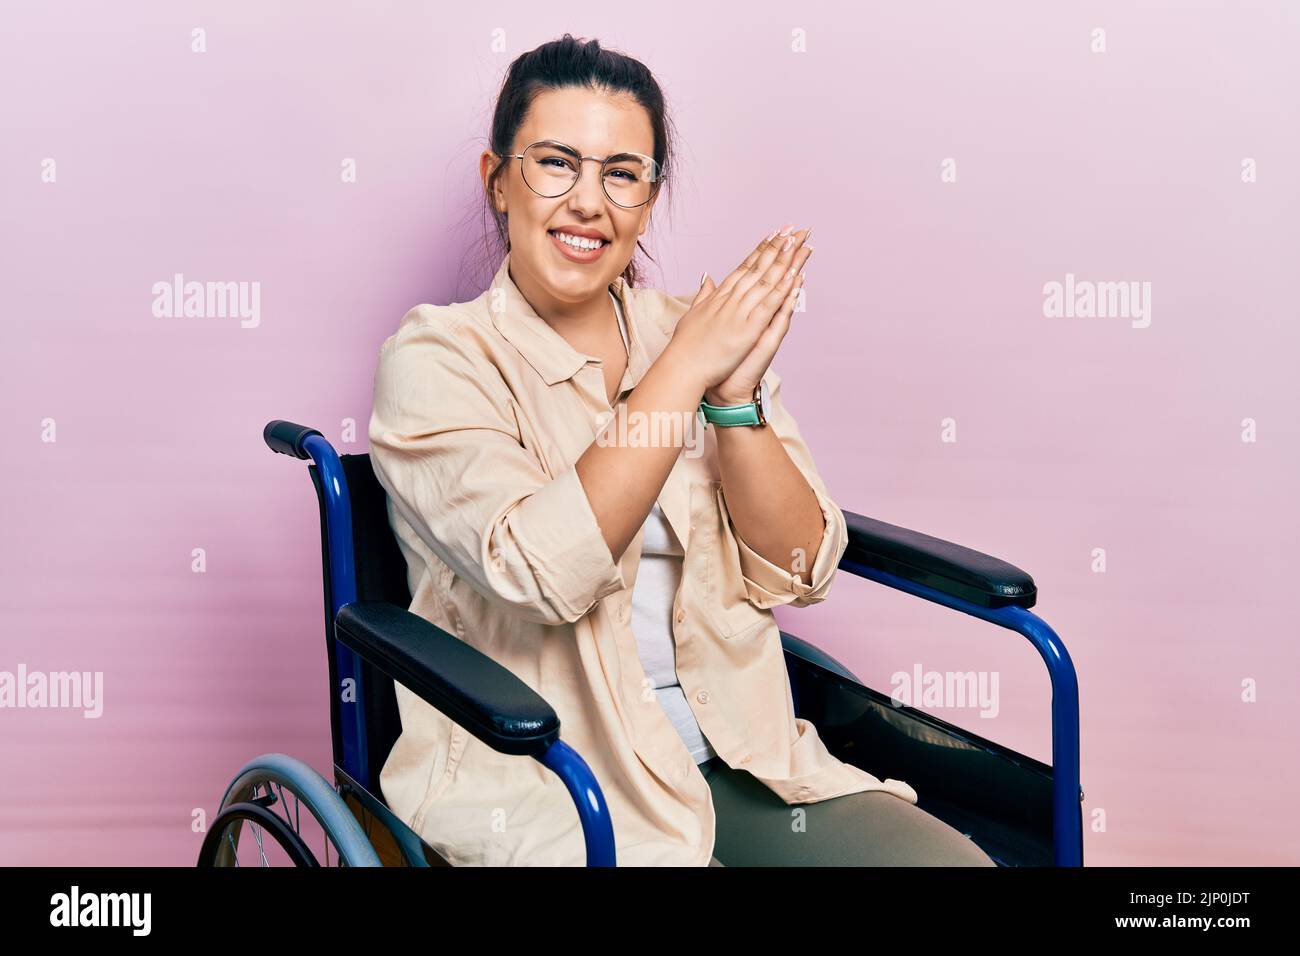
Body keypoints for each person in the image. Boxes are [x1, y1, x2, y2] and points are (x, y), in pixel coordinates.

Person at [367, 33, 994, 867]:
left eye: (622, 174)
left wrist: (733, 402)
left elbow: (801, 566)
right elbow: (544, 575)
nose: (588, 201)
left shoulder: (686, 331)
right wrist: (687, 369)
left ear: (648, 198)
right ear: (499, 183)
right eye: (556, 163)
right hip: (557, 785)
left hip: (741, 757)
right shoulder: (438, 356)